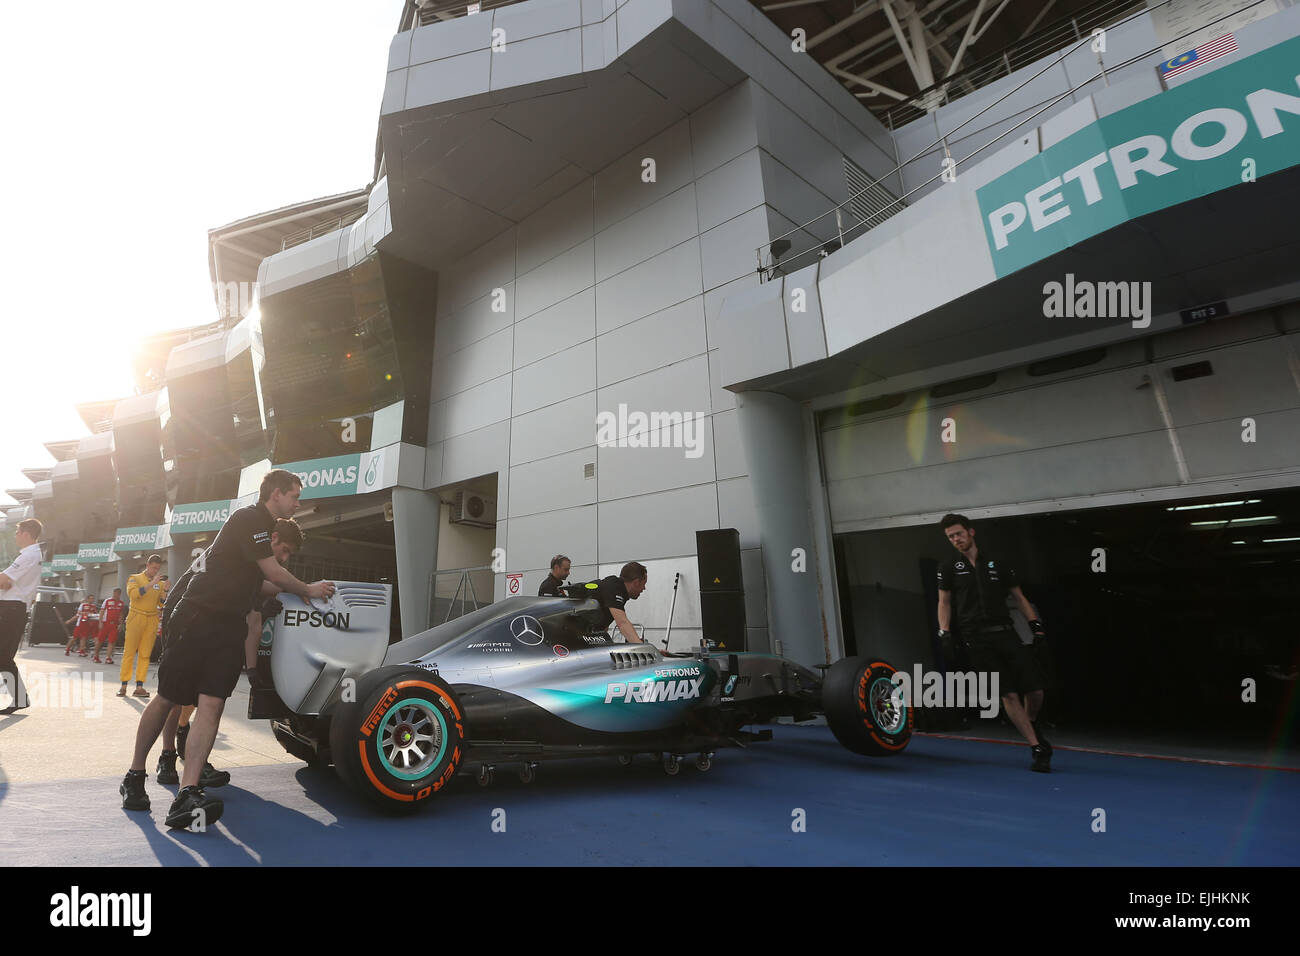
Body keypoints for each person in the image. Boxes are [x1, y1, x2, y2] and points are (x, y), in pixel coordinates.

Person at [120, 469, 335, 830]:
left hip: (227, 627)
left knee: (213, 704)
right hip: (196, 618)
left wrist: (290, 592)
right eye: (294, 496)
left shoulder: (263, 538)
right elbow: (273, 573)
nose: (298, 504)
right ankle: (134, 775)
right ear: (276, 494)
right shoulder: (249, 519)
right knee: (168, 697)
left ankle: (187, 793)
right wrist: (308, 589)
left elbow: (264, 582)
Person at [936, 513, 1052, 773]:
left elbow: (1019, 597)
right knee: (1008, 693)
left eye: (959, 534)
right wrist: (944, 633)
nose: (956, 539)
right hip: (975, 638)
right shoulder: (947, 567)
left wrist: (1036, 627)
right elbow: (943, 602)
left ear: (971, 532)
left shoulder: (997, 562)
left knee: (1035, 690)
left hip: (1005, 632)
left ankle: (1030, 723)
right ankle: (1037, 747)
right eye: (951, 537)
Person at [0, 517, 44, 714]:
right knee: (3, 656)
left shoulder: (28, 555)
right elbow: (5, 582)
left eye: (17, 532)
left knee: (3, 656)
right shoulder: (29, 555)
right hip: (11, 608)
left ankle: (19, 697)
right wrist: (4, 581)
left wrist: (4, 580)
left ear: (26, 534)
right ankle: (19, 697)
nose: (16, 536)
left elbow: (5, 580)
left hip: (12, 609)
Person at [117, 555, 168, 698]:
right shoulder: (134, 578)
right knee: (129, 652)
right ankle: (123, 685)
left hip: (152, 619)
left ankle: (139, 686)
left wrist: (165, 591)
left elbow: (161, 604)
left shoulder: (161, 583)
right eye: (153, 568)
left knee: (145, 654)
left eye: (158, 568)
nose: (155, 570)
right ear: (147, 565)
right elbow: (133, 595)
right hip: (136, 616)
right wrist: (152, 584)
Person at [570, 562, 649, 644]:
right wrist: (644, 649)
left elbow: (603, 626)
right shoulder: (614, 588)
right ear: (636, 582)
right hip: (571, 637)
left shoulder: (617, 590)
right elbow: (622, 623)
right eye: (643, 584)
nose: (644, 588)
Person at [94, 588, 124, 664]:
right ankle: (96, 656)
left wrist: (121, 624)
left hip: (114, 625)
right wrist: (100, 622)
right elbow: (102, 611)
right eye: (115, 593)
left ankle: (108, 658)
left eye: (118, 593)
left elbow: (121, 614)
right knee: (100, 640)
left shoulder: (121, 603)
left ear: (120, 594)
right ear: (113, 593)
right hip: (105, 624)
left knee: (111, 641)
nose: (116, 595)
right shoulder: (107, 601)